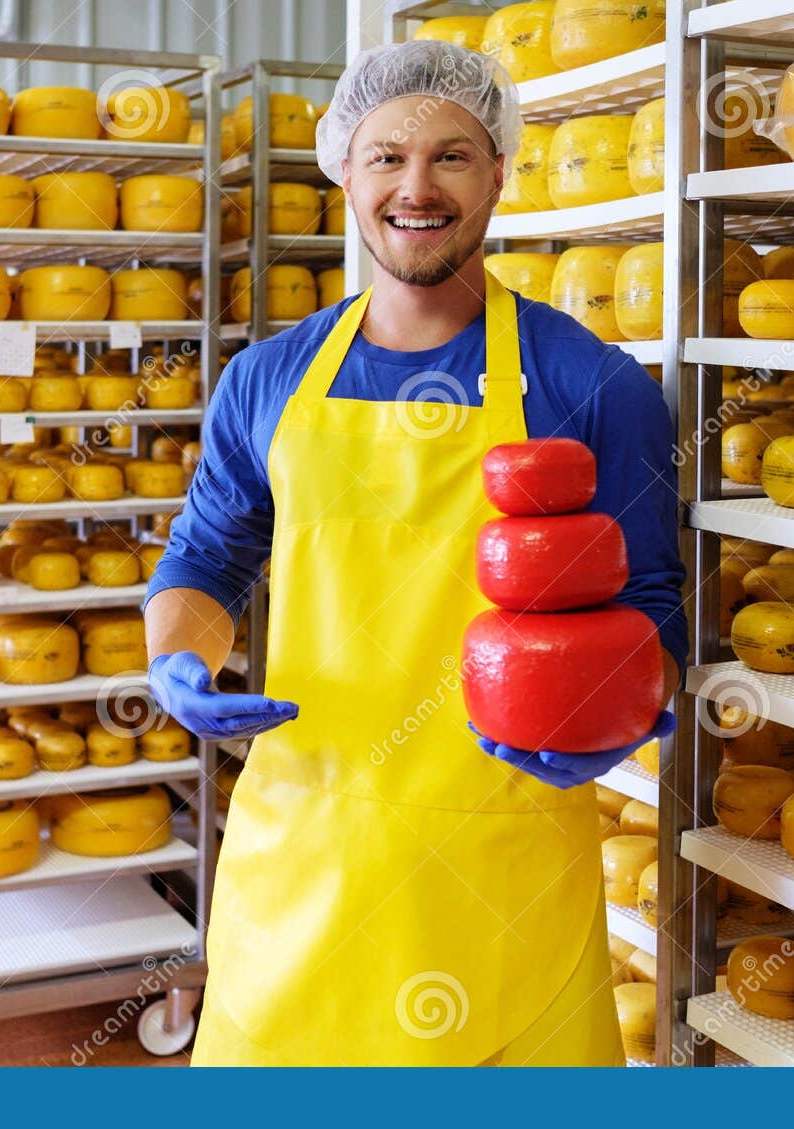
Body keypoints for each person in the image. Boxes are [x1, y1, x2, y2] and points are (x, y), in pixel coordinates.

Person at [142, 39, 686, 1066]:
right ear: (343, 169)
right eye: (386, 156)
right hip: (301, 854)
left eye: (452, 156)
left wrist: (621, 712)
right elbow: (207, 556)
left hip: (505, 865)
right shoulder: (267, 379)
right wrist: (179, 659)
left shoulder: (592, 384)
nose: (417, 186)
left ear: (499, 172)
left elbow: (653, 607)